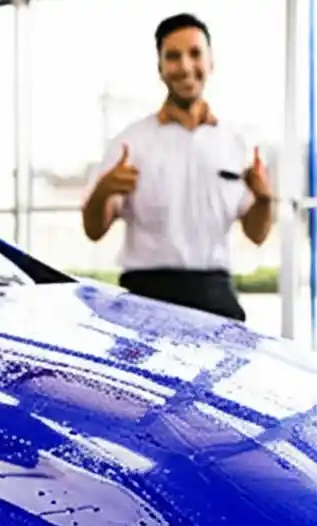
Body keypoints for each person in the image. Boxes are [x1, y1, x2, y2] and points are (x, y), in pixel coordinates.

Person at [81, 12, 274, 322]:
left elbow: (257, 234)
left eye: (195, 54)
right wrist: (103, 191)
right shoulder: (130, 143)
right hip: (146, 294)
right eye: (173, 56)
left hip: (214, 291)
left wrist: (264, 199)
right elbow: (94, 230)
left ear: (211, 62)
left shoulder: (238, 143)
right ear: (160, 68)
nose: (185, 67)